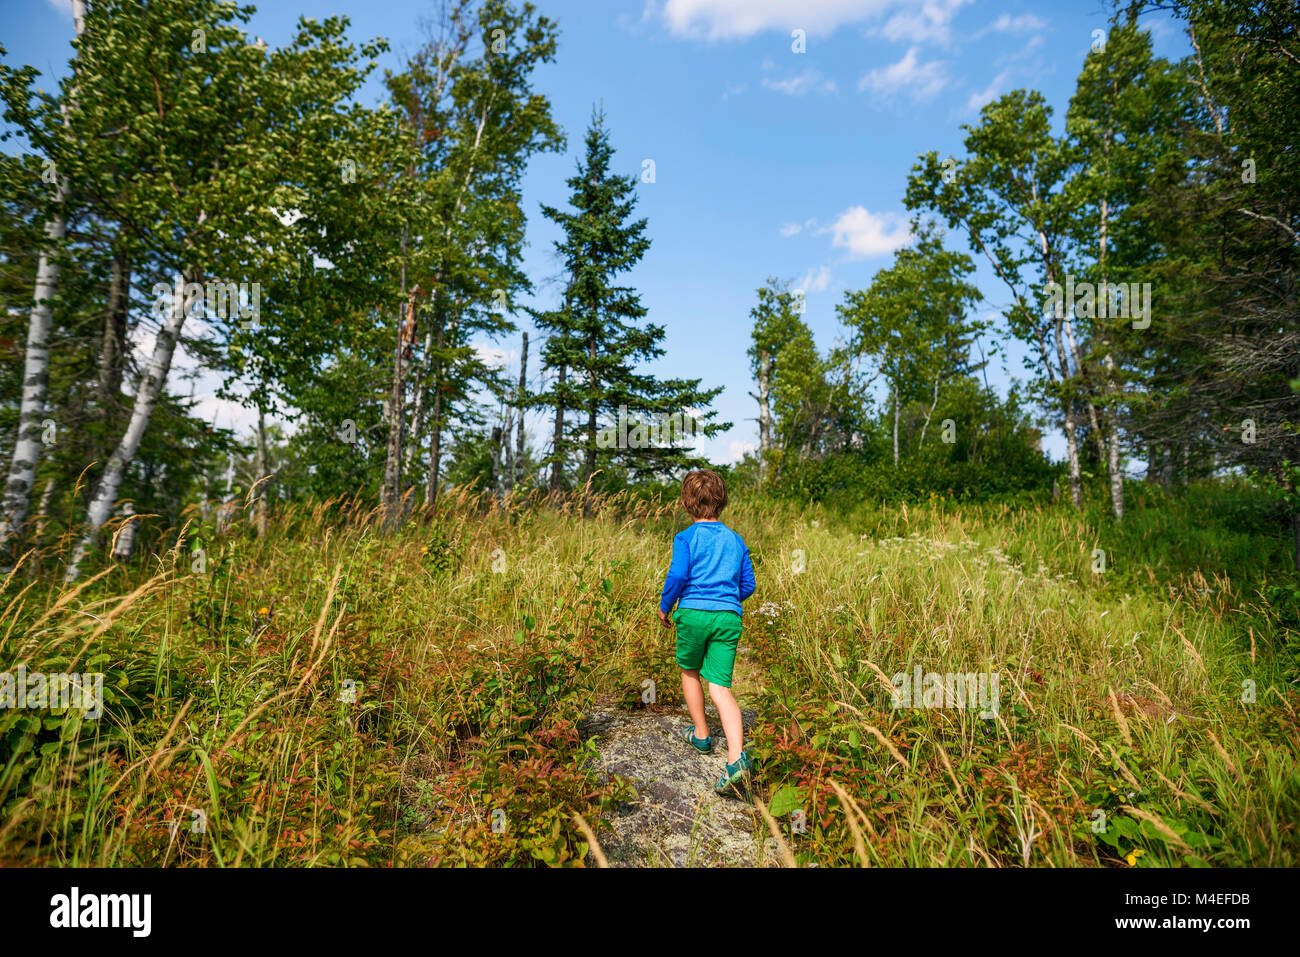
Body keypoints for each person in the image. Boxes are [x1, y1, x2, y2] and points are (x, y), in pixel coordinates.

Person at [658, 469, 756, 796]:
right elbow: (748, 584)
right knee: (721, 688)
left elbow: (678, 575)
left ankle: (701, 733)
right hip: (728, 617)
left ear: (686, 503)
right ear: (723, 502)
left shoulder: (685, 538)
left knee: (689, 671)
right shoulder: (736, 540)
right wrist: (727, 600)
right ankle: (736, 758)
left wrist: (665, 606)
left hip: (693, 614)